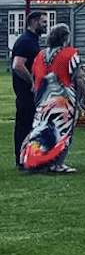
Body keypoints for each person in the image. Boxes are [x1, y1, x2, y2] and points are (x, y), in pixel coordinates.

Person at [20, 23, 85, 174]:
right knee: (63, 133)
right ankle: (57, 164)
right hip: (64, 100)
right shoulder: (71, 53)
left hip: (43, 100)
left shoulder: (41, 55)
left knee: (40, 131)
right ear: (65, 38)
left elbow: (35, 78)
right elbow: (79, 77)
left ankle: (36, 160)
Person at [11, 10, 47, 169]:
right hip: (26, 92)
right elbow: (17, 65)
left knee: (32, 126)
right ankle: (22, 159)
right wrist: (32, 82)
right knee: (25, 125)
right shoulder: (26, 41)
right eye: (43, 22)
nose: (46, 25)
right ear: (33, 22)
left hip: (32, 92)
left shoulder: (33, 40)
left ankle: (29, 158)